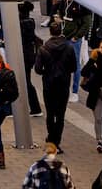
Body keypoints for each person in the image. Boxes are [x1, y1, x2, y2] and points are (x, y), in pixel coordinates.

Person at [35, 20, 77, 155]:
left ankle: (51, 139)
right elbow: (74, 67)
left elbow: (37, 69)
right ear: (61, 31)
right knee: (60, 115)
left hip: (49, 84)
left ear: (50, 32)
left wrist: (47, 72)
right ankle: (56, 142)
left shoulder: (43, 48)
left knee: (50, 113)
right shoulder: (69, 47)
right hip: (63, 84)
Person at [59, 0, 93, 102]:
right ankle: (66, 89)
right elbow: (61, 13)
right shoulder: (64, 1)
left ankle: (75, 92)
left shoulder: (82, 4)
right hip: (64, 37)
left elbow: (87, 23)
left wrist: (77, 36)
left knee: (76, 65)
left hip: (74, 39)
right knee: (64, 64)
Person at [19, 1, 44, 117]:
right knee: (26, 81)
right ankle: (34, 107)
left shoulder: (22, 23)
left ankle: (35, 107)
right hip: (29, 55)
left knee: (26, 82)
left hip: (24, 55)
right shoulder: (30, 21)